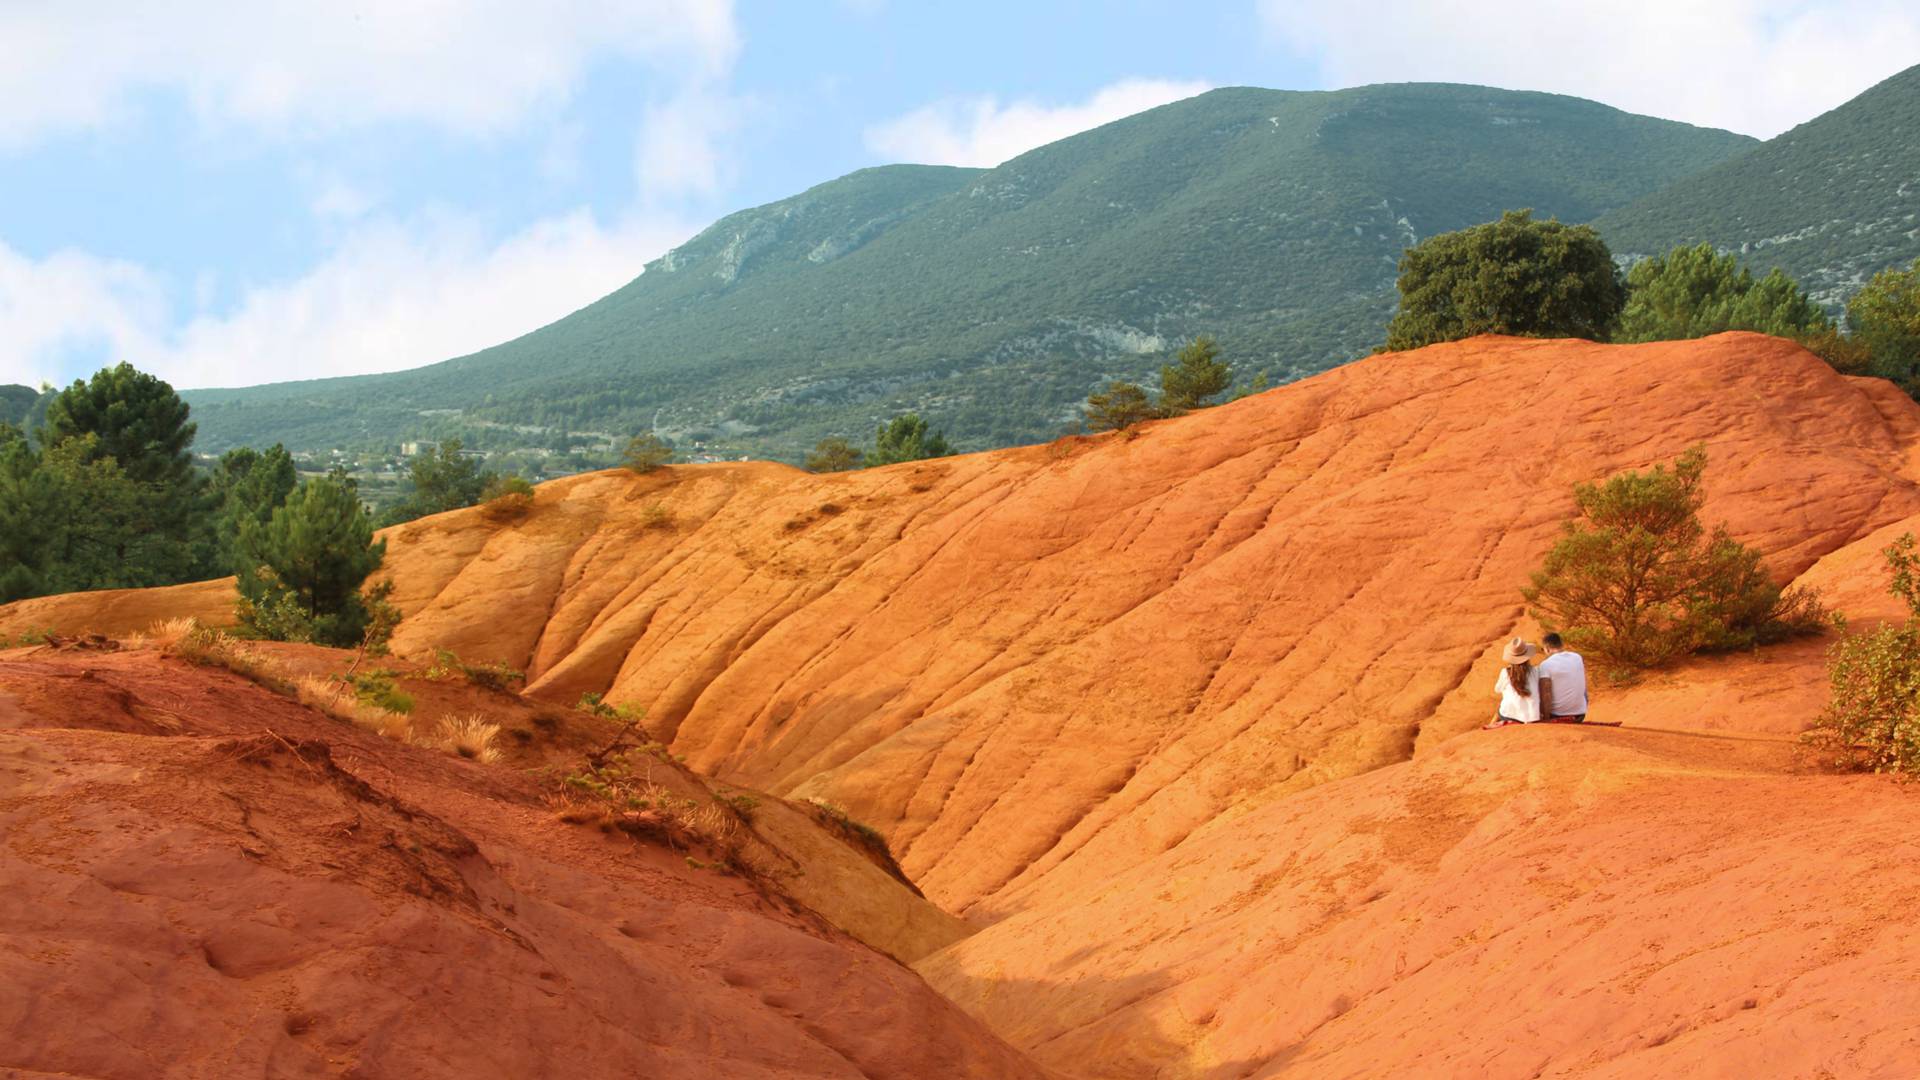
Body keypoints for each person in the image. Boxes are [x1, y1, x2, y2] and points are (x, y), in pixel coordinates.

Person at [1536, 632, 1589, 723]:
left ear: (1547, 649)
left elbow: (1546, 695)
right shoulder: (1577, 657)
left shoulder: (1546, 665)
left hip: (1558, 716)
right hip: (1580, 714)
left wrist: (1545, 718)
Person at [1489, 637, 1541, 726]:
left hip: (1509, 715)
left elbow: (1497, 689)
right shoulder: (1536, 671)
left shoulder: (1506, 672)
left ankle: (1489, 730)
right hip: (1532, 716)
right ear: (1527, 656)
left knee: (1500, 708)